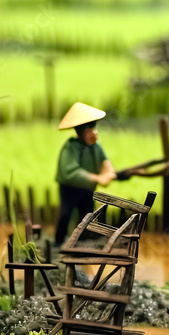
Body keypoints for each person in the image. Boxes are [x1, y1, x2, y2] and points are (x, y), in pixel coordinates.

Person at [54, 102, 116, 245]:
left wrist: (109, 172)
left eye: (93, 129)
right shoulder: (71, 146)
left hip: (87, 188)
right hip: (70, 188)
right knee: (66, 213)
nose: (93, 133)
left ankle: (84, 239)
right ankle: (59, 241)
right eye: (89, 130)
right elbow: (71, 171)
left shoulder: (95, 146)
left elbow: (104, 161)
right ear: (81, 132)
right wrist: (97, 178)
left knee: (87, 213)